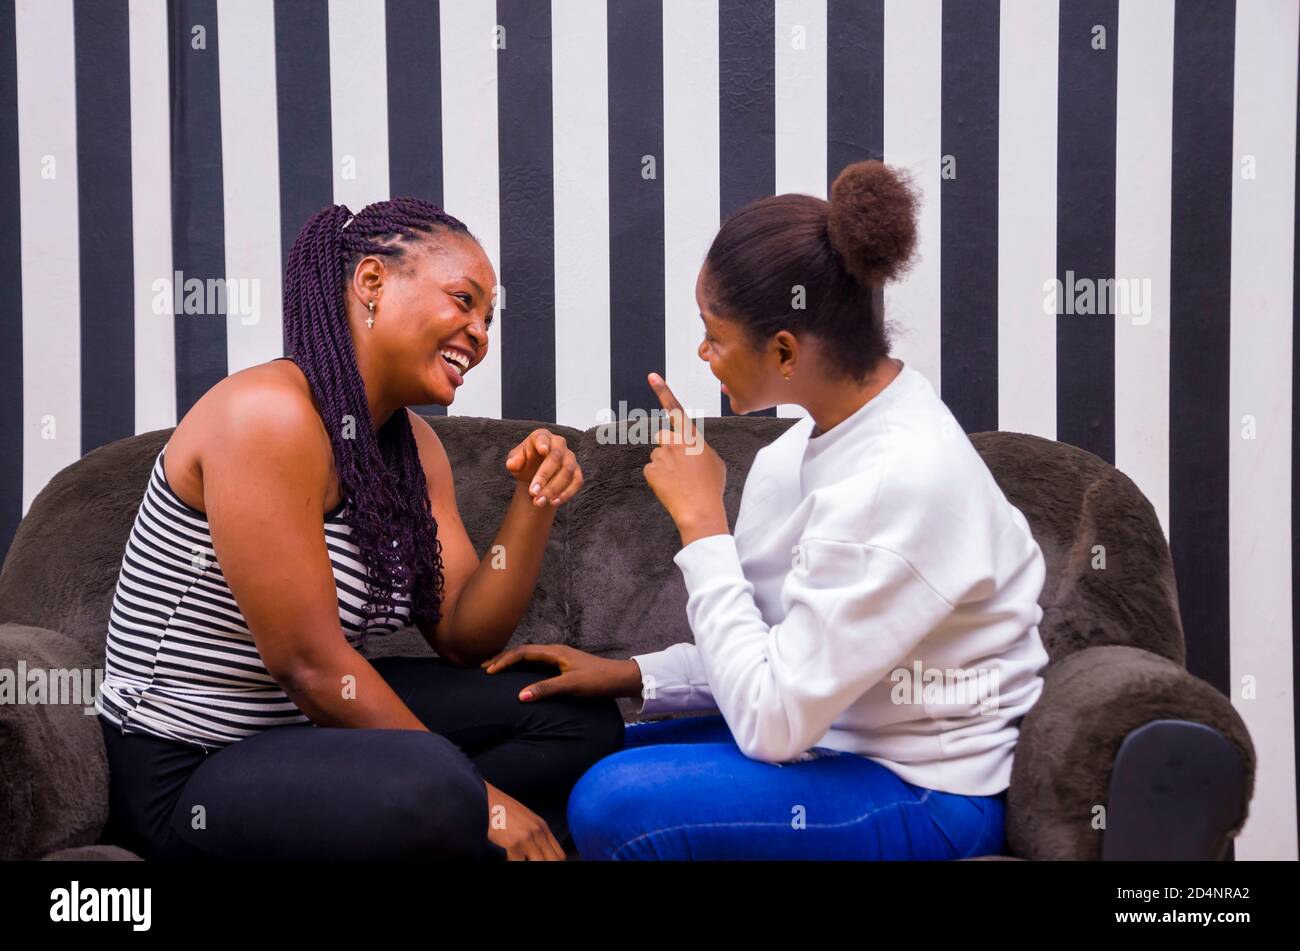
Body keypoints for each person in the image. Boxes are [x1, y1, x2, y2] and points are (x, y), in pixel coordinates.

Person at [484, 160, 1052, 860]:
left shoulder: (903, 477)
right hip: (824, 735)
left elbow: (771, 718)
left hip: (927, 788)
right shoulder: (799, 451)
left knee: (613, 803)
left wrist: (702, 523)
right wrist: (639, 675)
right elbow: (776, 651)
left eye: (714, 334)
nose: (703, 353)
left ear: (784, 350)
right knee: (572, 754)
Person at [95, 198, 624, 861]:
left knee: (574, 718)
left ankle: (452, 825)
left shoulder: (411, 449)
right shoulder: (266, 416)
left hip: (307, 737)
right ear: (372, 282)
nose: (481, 334)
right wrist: (486, 800)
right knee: (438, 788)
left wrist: (534, 500)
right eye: (463, 300)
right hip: (190, 770)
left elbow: (464, 634)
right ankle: (458, 818)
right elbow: (309, 665)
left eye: (488, 318)